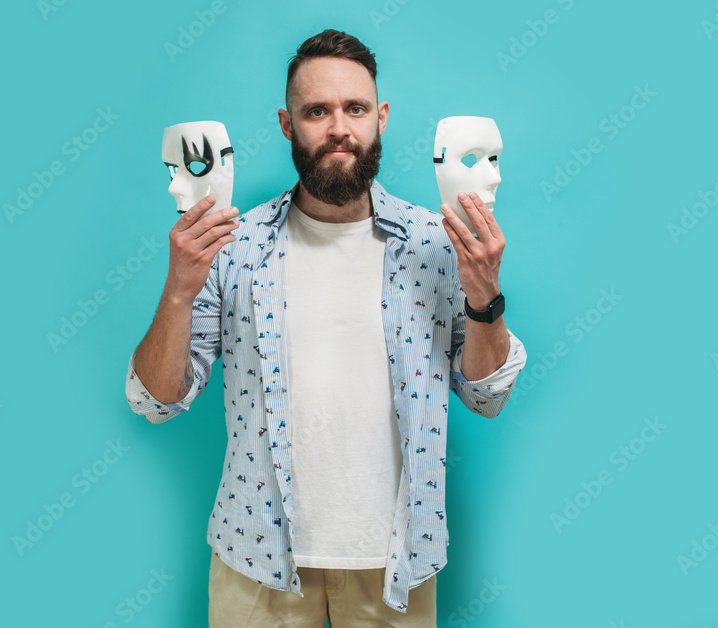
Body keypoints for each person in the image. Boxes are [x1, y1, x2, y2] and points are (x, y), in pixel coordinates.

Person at [125, 28, 527, 627]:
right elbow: (153, 401)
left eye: (355, 108)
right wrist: (180, 287)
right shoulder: (233, 249)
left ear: (381, 118)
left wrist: (484, 295)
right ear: (288, 125)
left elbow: (487, 396)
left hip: (397, 568)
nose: (340, 127)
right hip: (257, 563)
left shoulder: (434, 245)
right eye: (318, 111)